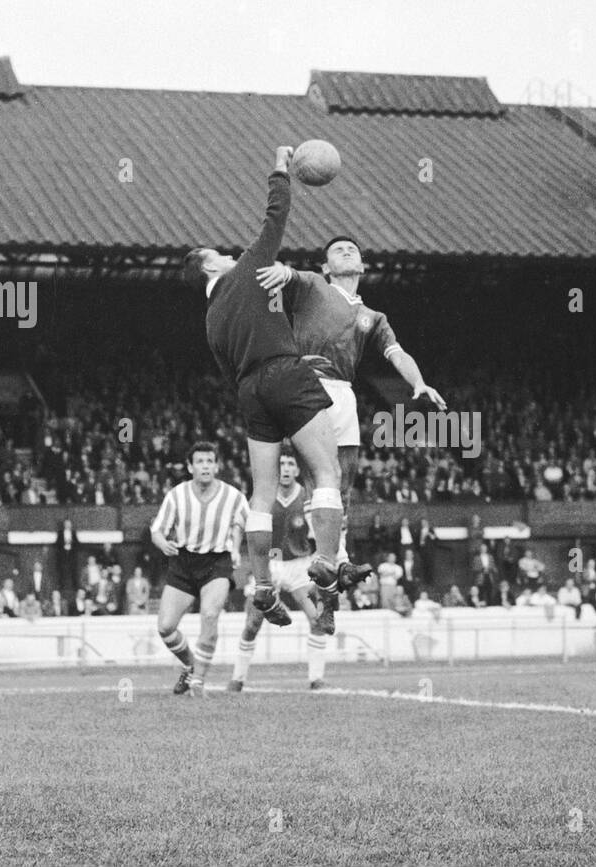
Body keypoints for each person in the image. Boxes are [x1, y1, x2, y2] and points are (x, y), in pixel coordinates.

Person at [185, 146, 353, 633]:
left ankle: (260, 586)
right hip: (284, 372)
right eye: (220, 254)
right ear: (209, 268)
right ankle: (323, 561)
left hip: (249, 391)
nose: (230, 253)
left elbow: (228, 372)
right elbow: (276, 215)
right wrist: (281, 166)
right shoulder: (247, 269)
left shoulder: (212, 322)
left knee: (259, 495)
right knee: (327, 472)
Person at [255, 235, 444, 576]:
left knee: (343, 484)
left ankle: (338, 560)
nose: (346, 251)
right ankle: (324, 558)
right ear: (326, 267)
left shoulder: (372, 317)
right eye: (338, 250)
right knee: (319, 477)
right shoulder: (314, 286)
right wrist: (279, 271)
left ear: (361, 265)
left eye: (352, 249)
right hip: (307, 384)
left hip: (343, 391)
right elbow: (288, 275)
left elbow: (396, 353)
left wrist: (418, 382)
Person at [150, 442, 247, 696]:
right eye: (200, 462)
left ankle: (198, 682)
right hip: (183, 561)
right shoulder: (177, 495)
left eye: (209, 461)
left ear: (216, 466)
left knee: (210, 615)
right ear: (190, 467)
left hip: (217, 561)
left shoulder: (233, 496)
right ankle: (191, 666)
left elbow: (240, 523)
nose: (205, 466)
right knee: (165, 627)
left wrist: (236, 548)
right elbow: (157, 529)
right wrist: (163, 544)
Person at [230, 450, 328, 692]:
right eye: (281, 463)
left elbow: (323, 528)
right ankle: (237, 678)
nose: (285, 468)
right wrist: (234, 549)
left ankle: (316, 679)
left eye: (290, 463)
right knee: (252, 623)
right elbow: (240, 522)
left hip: (299, 565)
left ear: (296, 469)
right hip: (268, 566)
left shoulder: (307, 496)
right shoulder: (263, 494)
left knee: (317, 618)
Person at [56, 518, 80, 596]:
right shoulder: (60, 533)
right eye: (66, 524)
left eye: (69, 524)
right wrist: (64, 543)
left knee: (73, 569)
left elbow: (78, 544)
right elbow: (57, 544)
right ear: (64, 525)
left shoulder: (73, 533)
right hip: (63, 554)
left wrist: (71, 542)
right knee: (62, 570)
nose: (68, 525)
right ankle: (61, 586)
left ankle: (75, 586)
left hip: (71, 553)